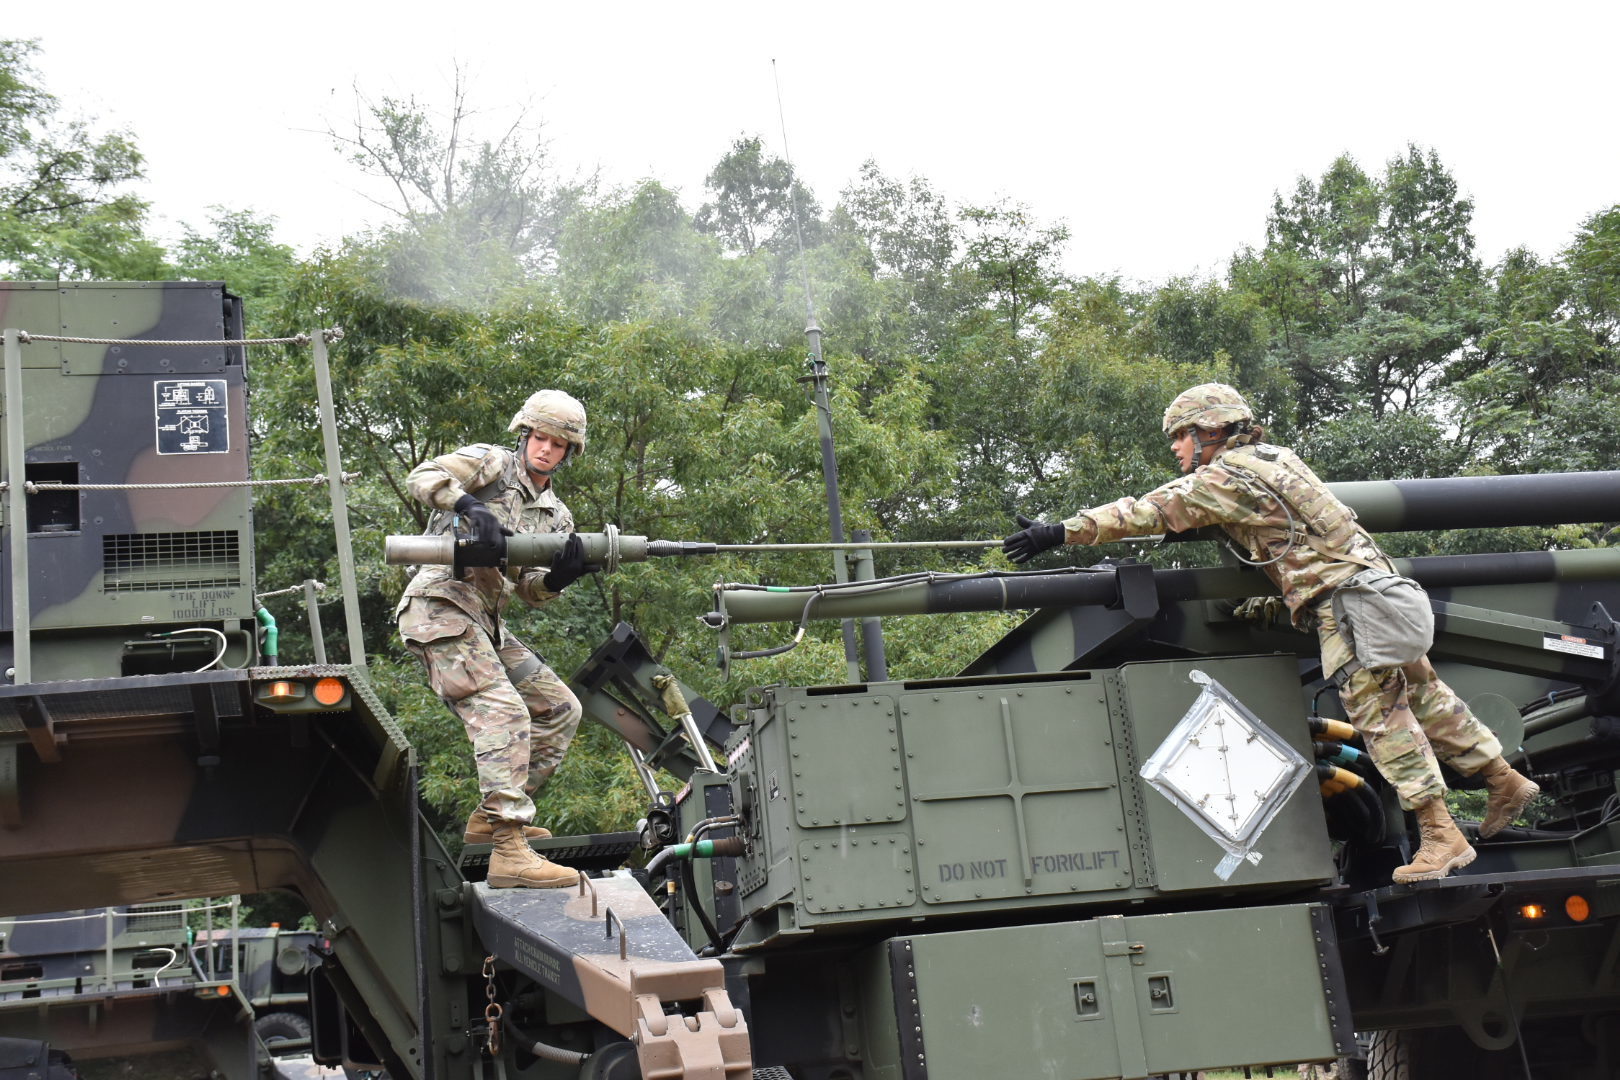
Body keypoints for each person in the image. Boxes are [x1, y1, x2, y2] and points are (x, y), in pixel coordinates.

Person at [1002, 382, 1539, 884]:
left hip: (1348, 611)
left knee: (1383, 721)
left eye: (1180, 437)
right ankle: (1503, 778)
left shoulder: (1225, 478)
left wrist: (1060, 532)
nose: (1176, 450)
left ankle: (1441, 835)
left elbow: (1151, 510)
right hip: (1382, 594)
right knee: (1427, 697)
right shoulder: (1276, 459)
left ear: (1208, 432)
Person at [395, 389, 594, 889]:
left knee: (559, 708)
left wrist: (561, 578)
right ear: (526, 435)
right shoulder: (490, 464)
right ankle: (509, 849)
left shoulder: (556, 516)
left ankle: (491, 819)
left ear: (569, 453)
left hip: (486, 623)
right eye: (540, 438)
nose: (545, 449)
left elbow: (530, 591)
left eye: (558, 444)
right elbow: (422, 476)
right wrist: (466, 504)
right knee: (504, 711)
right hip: (440, 606)